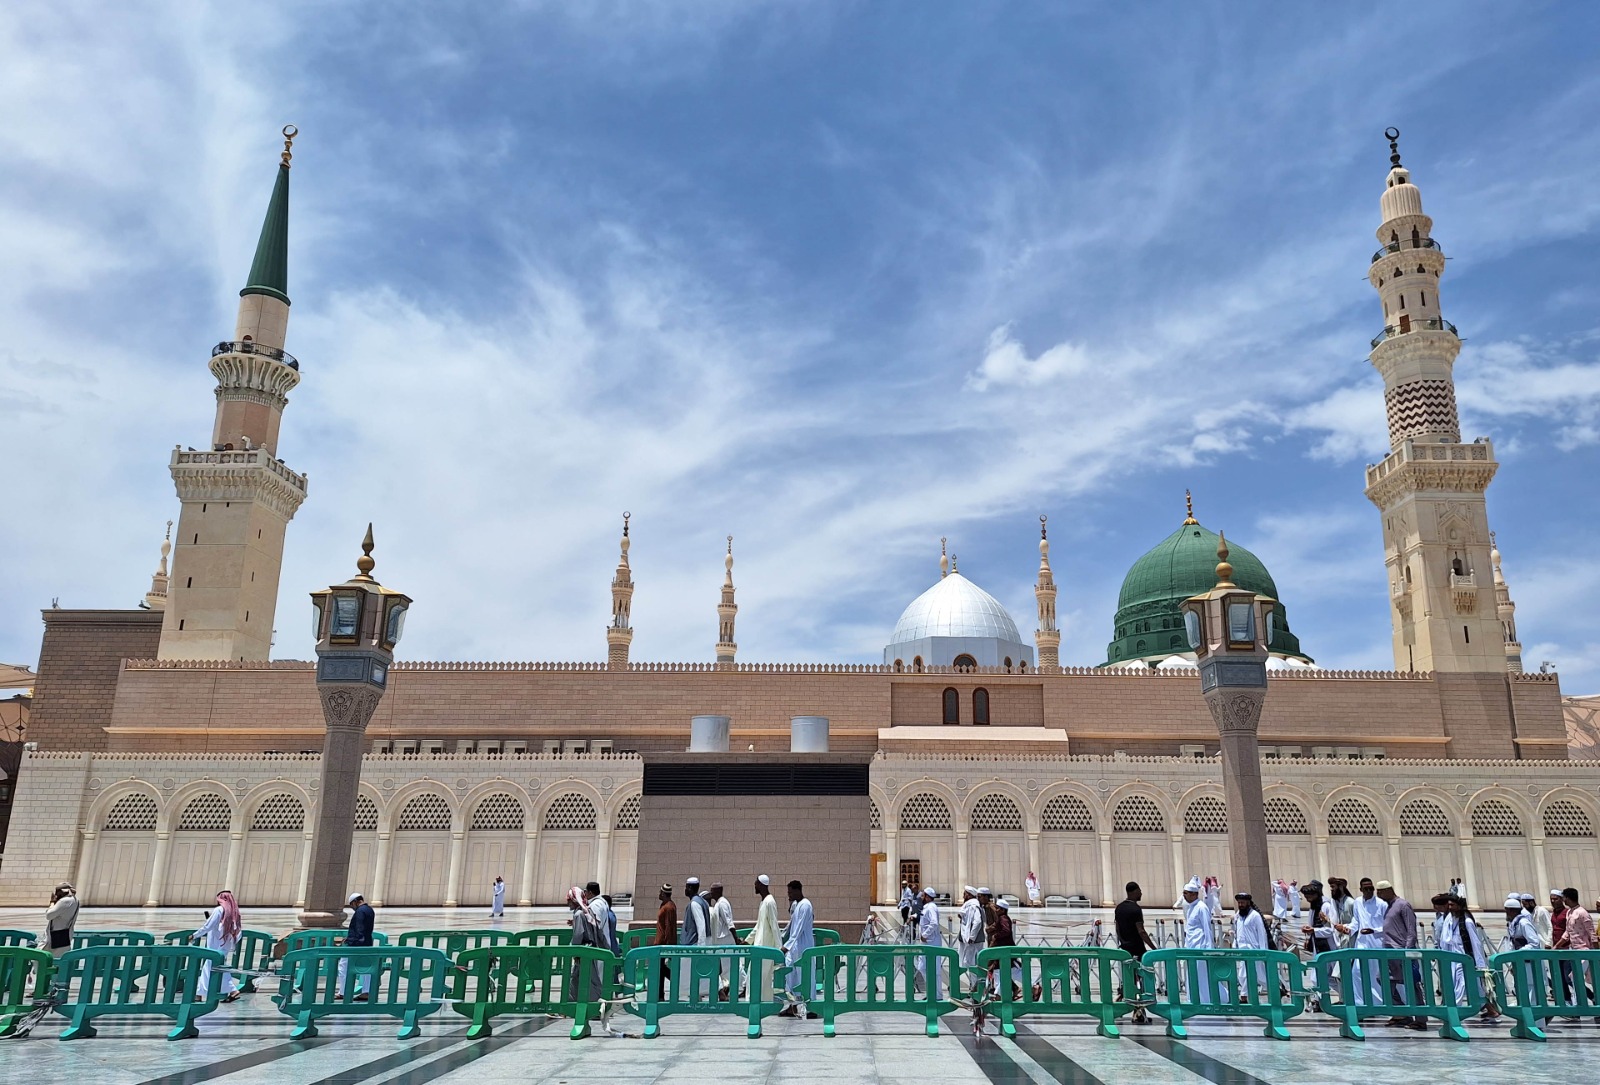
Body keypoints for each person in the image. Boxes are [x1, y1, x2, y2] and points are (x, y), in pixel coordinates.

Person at [1375, 881, 1428, 1031]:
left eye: (1381, 892)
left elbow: (1411, 931)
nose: (1379, 895)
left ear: (1389, 890)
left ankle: (1421, 1019)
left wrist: (1408, 952)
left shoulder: (1403, 905)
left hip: (1403, 953)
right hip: (1390, 953)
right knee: (1382, 979)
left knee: (1412, 985)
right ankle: (1401, 1013)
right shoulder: (1389, 906)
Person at [1439, 895, 1497, 1020]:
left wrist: (1480, 964)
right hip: (1453, 958)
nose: (1450, 907)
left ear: (1460, 906)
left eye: (1452, 905)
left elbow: (1476, 944)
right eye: (1449, 905)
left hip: (1466, 960)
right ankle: (1492, 1010)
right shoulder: (1451, 918)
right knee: (1473, 987)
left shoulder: (1467, 922)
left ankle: (1454, 1012)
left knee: (1461, 985)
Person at [1114, 882, 1155, 1023]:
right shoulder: (1135, 909)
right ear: (1134, 891)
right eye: (1140, 891)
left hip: (1125, 949)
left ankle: (1120, 1004)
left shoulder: (1119, 908)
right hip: (1137, 949)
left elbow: (1117, 928)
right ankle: (1138, 1012)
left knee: (1128, 979)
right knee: (1141, 980)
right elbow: (1141, 931)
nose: (1141, 893)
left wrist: (1122, 942)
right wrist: (1154, 948)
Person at [192, 889, 243, 1002]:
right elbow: (239, 931)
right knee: (214, 967)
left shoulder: (219, 910)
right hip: (225, 946)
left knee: (211, 966)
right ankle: (199, 994)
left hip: (215, 945)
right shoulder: (235, 912)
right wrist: (232, 943)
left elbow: (208, 926)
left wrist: (194, 935)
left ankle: (200, 994)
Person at [777, 880, 818, 1018]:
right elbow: (792, 925)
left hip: (803, 947)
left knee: (806, 976)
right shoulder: (797, 905)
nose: (788, 895)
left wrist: (785, 946)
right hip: (793, 947)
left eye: (790, 892)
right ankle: (792, 1007)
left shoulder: (806, 905)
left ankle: (811, 1007)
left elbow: (799, 928)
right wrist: (783, 937)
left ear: (797, 891)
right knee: (791, 976)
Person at [1347, 877, 1388, 1006]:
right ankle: (1360, 1004)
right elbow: (1356, 921)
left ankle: (1378, 1004)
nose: (1369, 891)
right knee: (1357, 972)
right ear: (1361, 889)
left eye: (1371, 888)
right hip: (1361, 944)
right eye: (1366, 889)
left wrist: (1373, 931)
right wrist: (1347, 928)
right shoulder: (1357, 902)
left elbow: (1388, 926)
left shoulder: (1382, 904)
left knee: (1376, 976)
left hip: (1377, 944)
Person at [1180, 876, 1213, 1001]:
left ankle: (1206, 999)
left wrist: (1210, 949)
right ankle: (1193, 998)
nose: (1184, 896)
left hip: (1201, 948)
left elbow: (1207, 929)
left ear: (1194, 894)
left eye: (1186, 893)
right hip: (1191, 948)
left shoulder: (1201, 908)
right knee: (1192, 975)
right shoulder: (1191, 908)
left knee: (1202, 976)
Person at [338, 892, 376, 1001]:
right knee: (366, 968)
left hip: (356, 945)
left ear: (355, 902)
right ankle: (366, 991)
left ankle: (343, 992)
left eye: (351, 905)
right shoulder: (369, 910)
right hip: (367, 943)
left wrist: (351, 940)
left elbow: (359, 929)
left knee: (343, 966)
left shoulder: (360, 911)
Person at [748, 875, 781, 1002]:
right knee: (761, 977)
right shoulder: (763, 902)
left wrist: (779, 949)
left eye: (756, 883)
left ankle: (754, 1002)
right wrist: (747, 940)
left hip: (766, 947)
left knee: (757, 976)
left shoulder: (770, 902)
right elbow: (758, 925)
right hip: (759, 945)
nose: (755, 886)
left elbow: (774, 925)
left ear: (761, 885)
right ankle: (764, 1002)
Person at [1231, 892, 1269, 998]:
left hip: (1254, 950)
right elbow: (1237, 932)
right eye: (1239, 903)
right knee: (1243, 975)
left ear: (1248, 902)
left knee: (1260, 976)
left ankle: (1244, 996)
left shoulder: (1255, 916)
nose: (1241, 905)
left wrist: (1263, 951)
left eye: (1242, 902)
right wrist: (1235, 945)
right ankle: (1245, 996)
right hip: (1243, 951)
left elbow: (1262, 933)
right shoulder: (1238, 916)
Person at [708, 882, 736, 998]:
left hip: (724, 940)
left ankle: (727, 989)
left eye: (712, 891)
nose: (711, 893)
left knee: (725, 967)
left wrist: (736, 939)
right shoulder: (718, 904)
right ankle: (724, 988)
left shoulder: (723, 903)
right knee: (722, 967)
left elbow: (729, 922)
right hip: (719, 940)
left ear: (718, 891)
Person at [916, 886, 943, 997]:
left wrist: (925, 934)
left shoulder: (931, 907)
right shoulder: (927, 907)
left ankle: (937, 995)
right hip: (926, 942)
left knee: (935, 969)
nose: (921, 897)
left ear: (927, 896)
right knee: (922, 967)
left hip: (932, 941)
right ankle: (931, 991)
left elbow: (934, 923)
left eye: (923, 895)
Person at [42, 883, 79, 960]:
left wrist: (52, 902)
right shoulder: (75, 901)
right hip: (66, 936)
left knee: (40, 959)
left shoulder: (64, 901)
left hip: (55, 936)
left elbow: (49, 915)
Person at [653, 884, 677, 1000]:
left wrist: (668, 947)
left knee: (661, 969)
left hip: (663, 943)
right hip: (659, 942)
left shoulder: (669, 907)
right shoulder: (664, 905)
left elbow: (669, 927)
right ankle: (660, 994)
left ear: (663, 893)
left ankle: (677, 982)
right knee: (660, 969)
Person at [957, 887, 983, 987]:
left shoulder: (973, 906)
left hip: (973, 941)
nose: (963, 895)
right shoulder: (968, 906)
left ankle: (976, 987)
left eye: (965, 893)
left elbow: (977, 922)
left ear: (969, 895)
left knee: (971, 964)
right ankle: (973, 986)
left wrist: (972, 937)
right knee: (964, 962)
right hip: (966, 940)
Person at [1329, 877, 1356, 948]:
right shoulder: (1335, 902)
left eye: (1333, 887)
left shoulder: (1351, 903)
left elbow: (1356, 921)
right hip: (1338, 939)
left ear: (1340, 887)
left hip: (1350, 939)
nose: (1331, 889)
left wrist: (1345, 927)